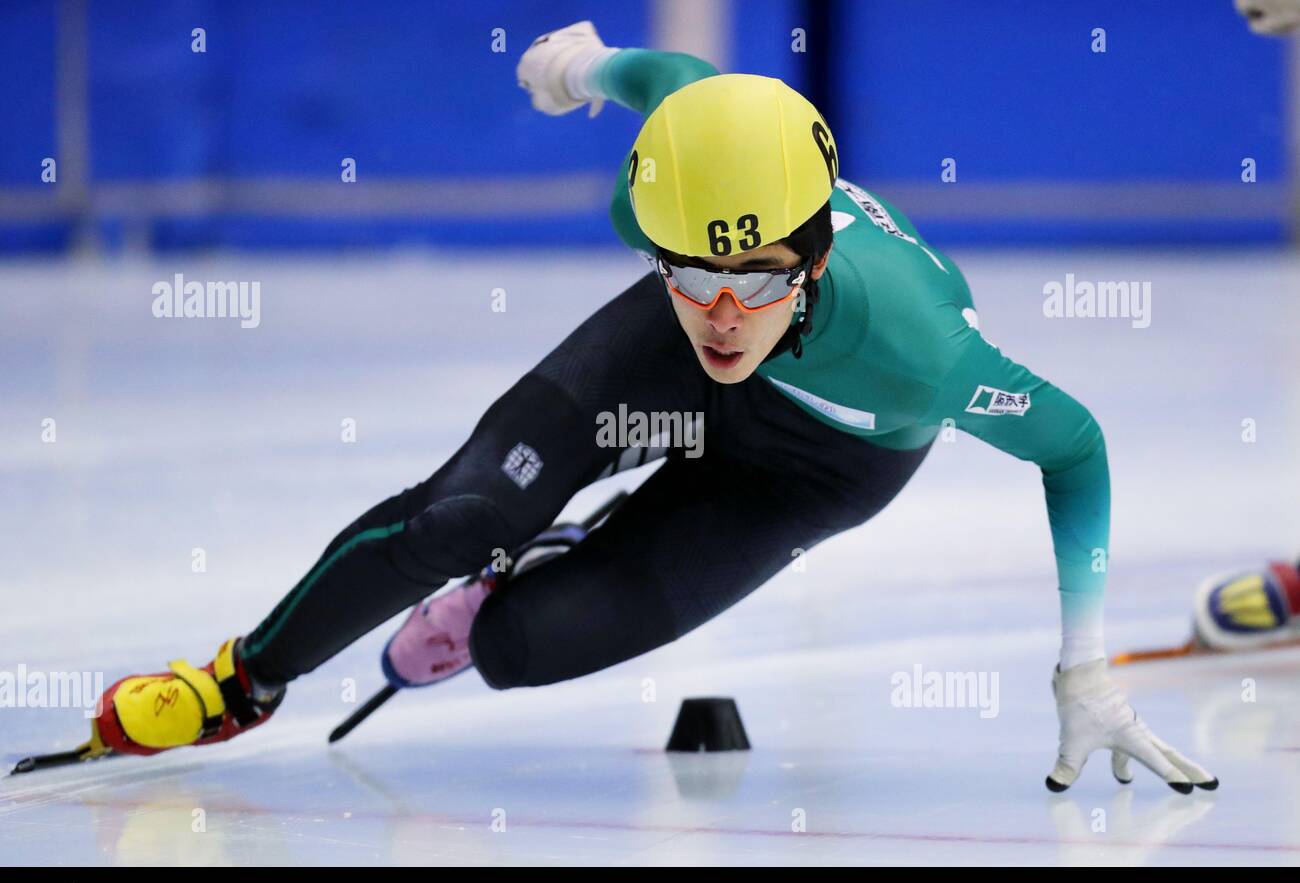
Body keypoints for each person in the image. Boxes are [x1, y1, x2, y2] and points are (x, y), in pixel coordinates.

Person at [85, 21, 1215, 793]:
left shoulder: (921, 347)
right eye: (692, 272)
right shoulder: (697, 188)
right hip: (660, 379)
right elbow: (671, 78)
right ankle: (239, 679)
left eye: (762, 277)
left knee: (520, 645)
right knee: (458, 512)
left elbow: (1074, 445)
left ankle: (523, 579)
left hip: (816, 465)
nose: (726, 313)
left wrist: (1085, 665)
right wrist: (582, 65)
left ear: (814, 262)